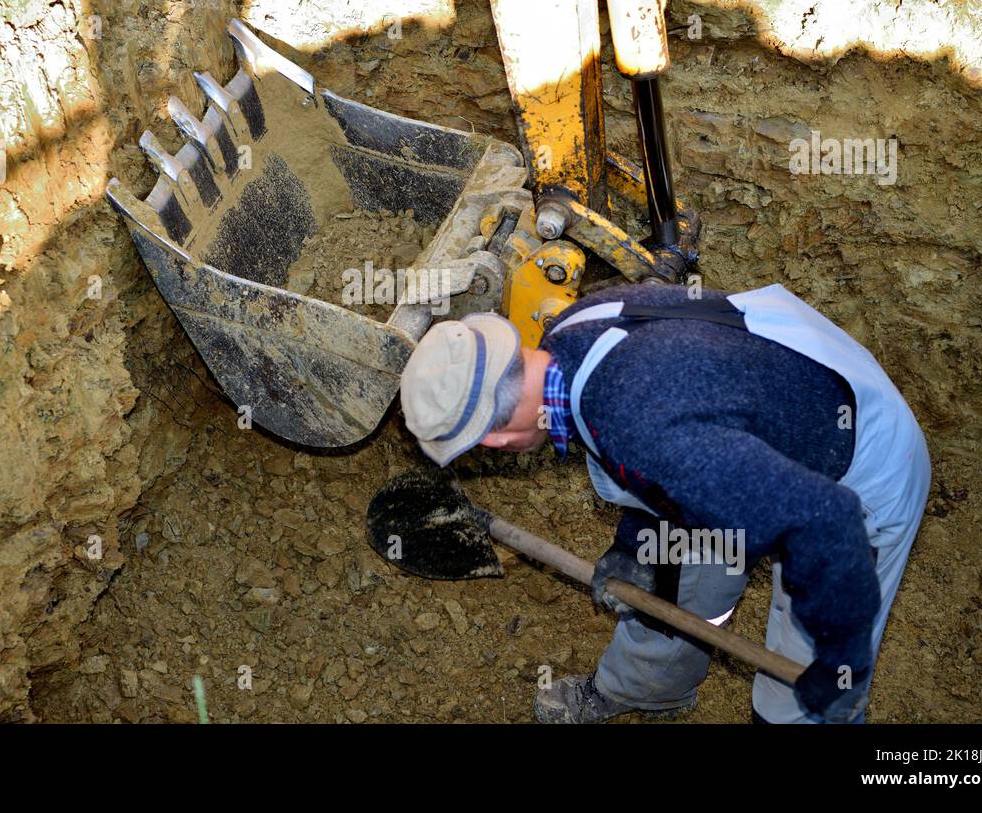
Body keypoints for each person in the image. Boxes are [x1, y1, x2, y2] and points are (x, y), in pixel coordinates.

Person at [398, 281, 929, 723]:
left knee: (797, 702)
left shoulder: (646, 428)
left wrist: (837, 663)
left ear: (491, 441)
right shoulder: (566, 338)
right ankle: (652, 686)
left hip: (851, 467)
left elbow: (829, 523)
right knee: (681, 568)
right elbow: (653, 456)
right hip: (758, 401)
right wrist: (634, 544)